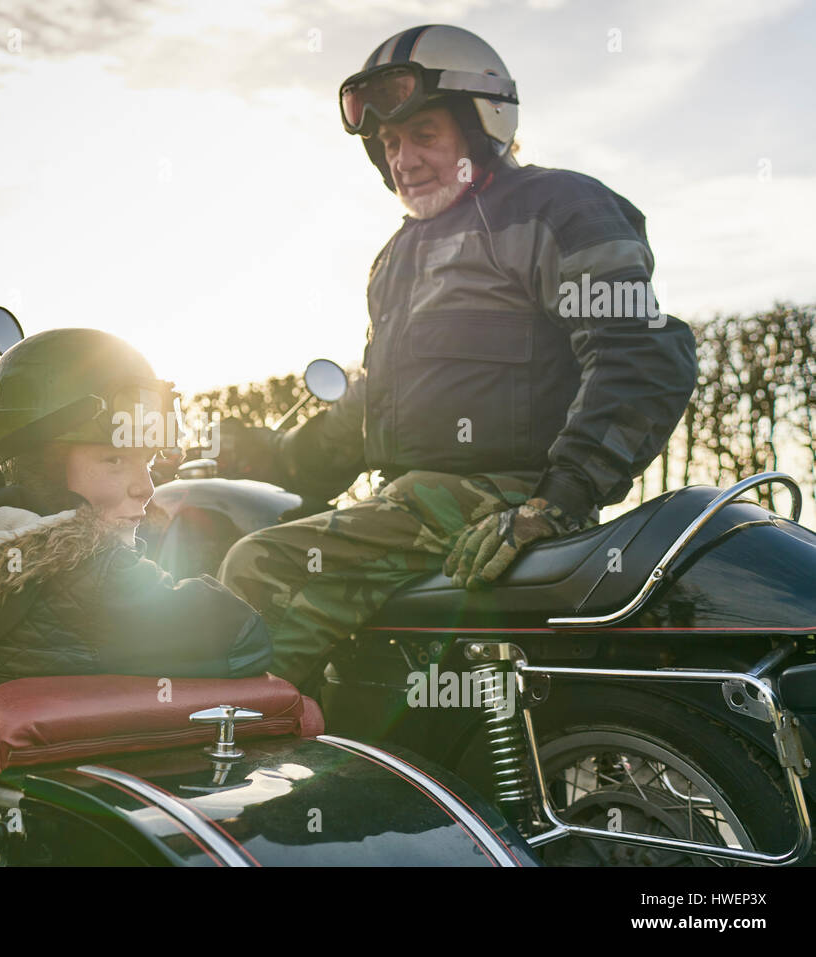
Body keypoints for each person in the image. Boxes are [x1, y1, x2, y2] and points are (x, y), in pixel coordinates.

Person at [212, 24, 699, 690]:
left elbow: (639, 354)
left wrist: (553, 500)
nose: (403, 159)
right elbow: (371, 402)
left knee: (261, 563)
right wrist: (269, 457)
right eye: (388, 143)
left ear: (481, 125)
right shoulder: (400, 254)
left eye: (424, 135)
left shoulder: (558, 206)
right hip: (411, 502)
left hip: (499, 493)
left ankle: (234, 769)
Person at [0, 328, 272, 721]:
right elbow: (243, 639)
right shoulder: (94, 581)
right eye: (115, 460)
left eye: (149, 461)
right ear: (43, 468)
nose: (146, 487)